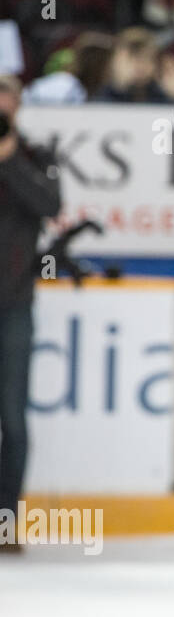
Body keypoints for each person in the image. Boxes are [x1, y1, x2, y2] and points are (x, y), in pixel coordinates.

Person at [0, 75, 63, 553]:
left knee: (13, 420)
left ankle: (5, 523)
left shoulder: (36, 156)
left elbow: (50, 204)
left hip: (14, 303)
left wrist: (8, 162)